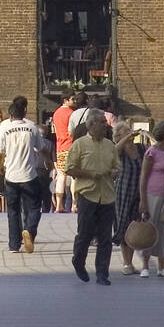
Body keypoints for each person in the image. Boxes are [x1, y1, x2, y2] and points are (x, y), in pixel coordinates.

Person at [66, 111, 119, 285]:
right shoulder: (79, 144)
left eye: (106, 122)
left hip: (107, 196)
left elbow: (117, 167)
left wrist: (114, 172)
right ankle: (78, 261)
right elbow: (70, 169)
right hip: (87, 194)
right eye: (102, 122)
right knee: (85, 234)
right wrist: (89, 174)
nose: (105, 125)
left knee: (105, 237)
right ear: (91, 125)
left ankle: (102, 274)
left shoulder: (110, 145)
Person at [0, 97, 46, 253]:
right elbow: (41, 148)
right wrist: (49, 163)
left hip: (11, 176)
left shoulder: (4, 127)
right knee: (35, 207)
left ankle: (14, 245)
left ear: (10, 115)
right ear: (24, 113)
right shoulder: (32, 127)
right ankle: (29, 230)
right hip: (29, 175)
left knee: (13, 211)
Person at [137, 121, 164, 277]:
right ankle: (145, 265)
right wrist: (143, 199)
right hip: (153, 194)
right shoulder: (152, 152)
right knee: (150, 228)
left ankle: (161, 267)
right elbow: (143, 177)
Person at [111, 121, 143, 275]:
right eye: (126, 131)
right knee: (123, 225)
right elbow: (113, 152)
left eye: (130, 130)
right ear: (119, 136)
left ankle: (131, 262)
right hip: (123, 192)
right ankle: (127, 263)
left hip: (138, 192)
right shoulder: (119, 150)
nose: (130, 132)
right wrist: (125, 139)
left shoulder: (141, 148)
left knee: (134, 225)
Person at [51, 91, 76, 212]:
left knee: (61, 176)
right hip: (71, 146)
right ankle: (74, 204)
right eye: (73, 99)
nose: (74, 101)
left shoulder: (56, 114)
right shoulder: (71, 113)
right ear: (65, 100)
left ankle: (58, 205)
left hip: (60, 147)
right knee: (74, 177)